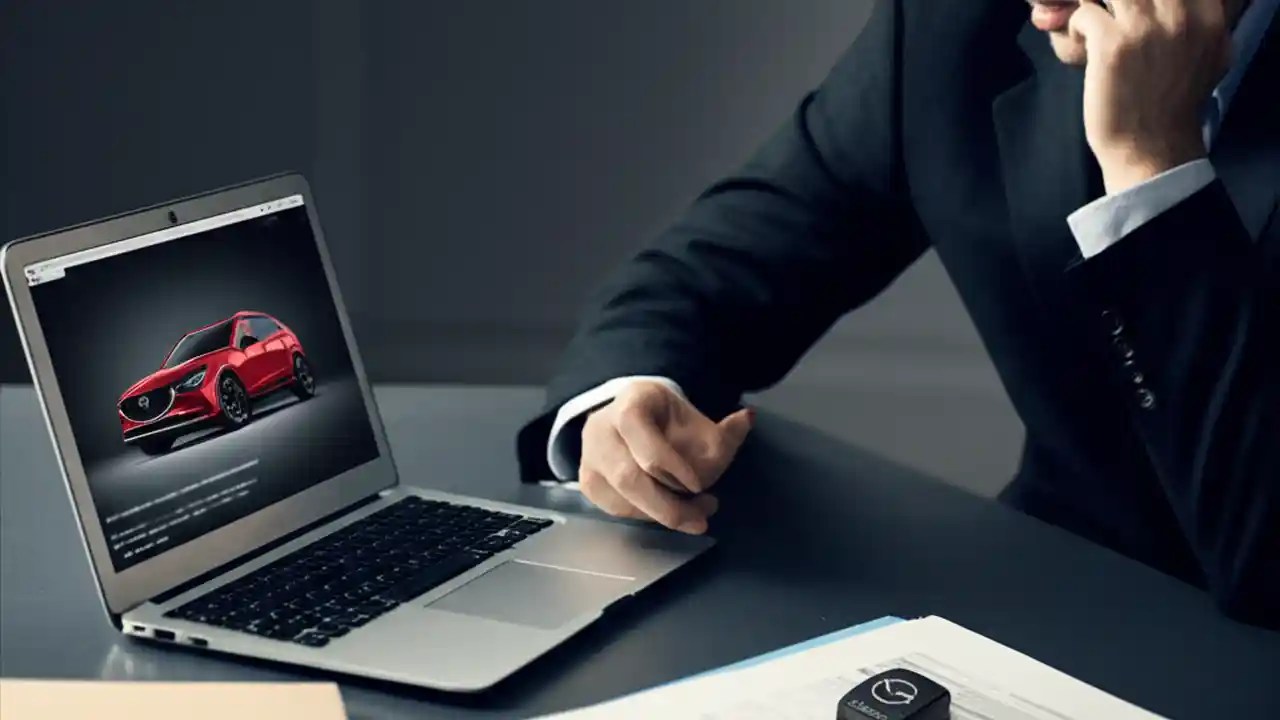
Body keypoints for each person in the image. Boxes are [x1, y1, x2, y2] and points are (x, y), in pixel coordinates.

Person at [516, 0, 1279, 626]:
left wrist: (1152, 164)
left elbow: (1265, 565)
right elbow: (720, 262)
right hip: (1050, 597)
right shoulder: (957, 24)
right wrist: (624, 402)